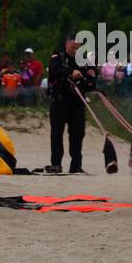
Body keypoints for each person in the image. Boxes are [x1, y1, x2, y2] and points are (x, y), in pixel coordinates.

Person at [47, 38, 97, 175]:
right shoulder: (58, 58)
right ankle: (56, 164)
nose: (75, 51)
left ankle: (76, 166)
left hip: (77, 103)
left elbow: (92, 76)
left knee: (78, 135)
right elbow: (56, 71)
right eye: (72, 48)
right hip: (59, 102)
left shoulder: (85, 60)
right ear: (66, 45)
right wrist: (71, 72)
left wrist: (89, 79)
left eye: (77, 48)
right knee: (57, 134)